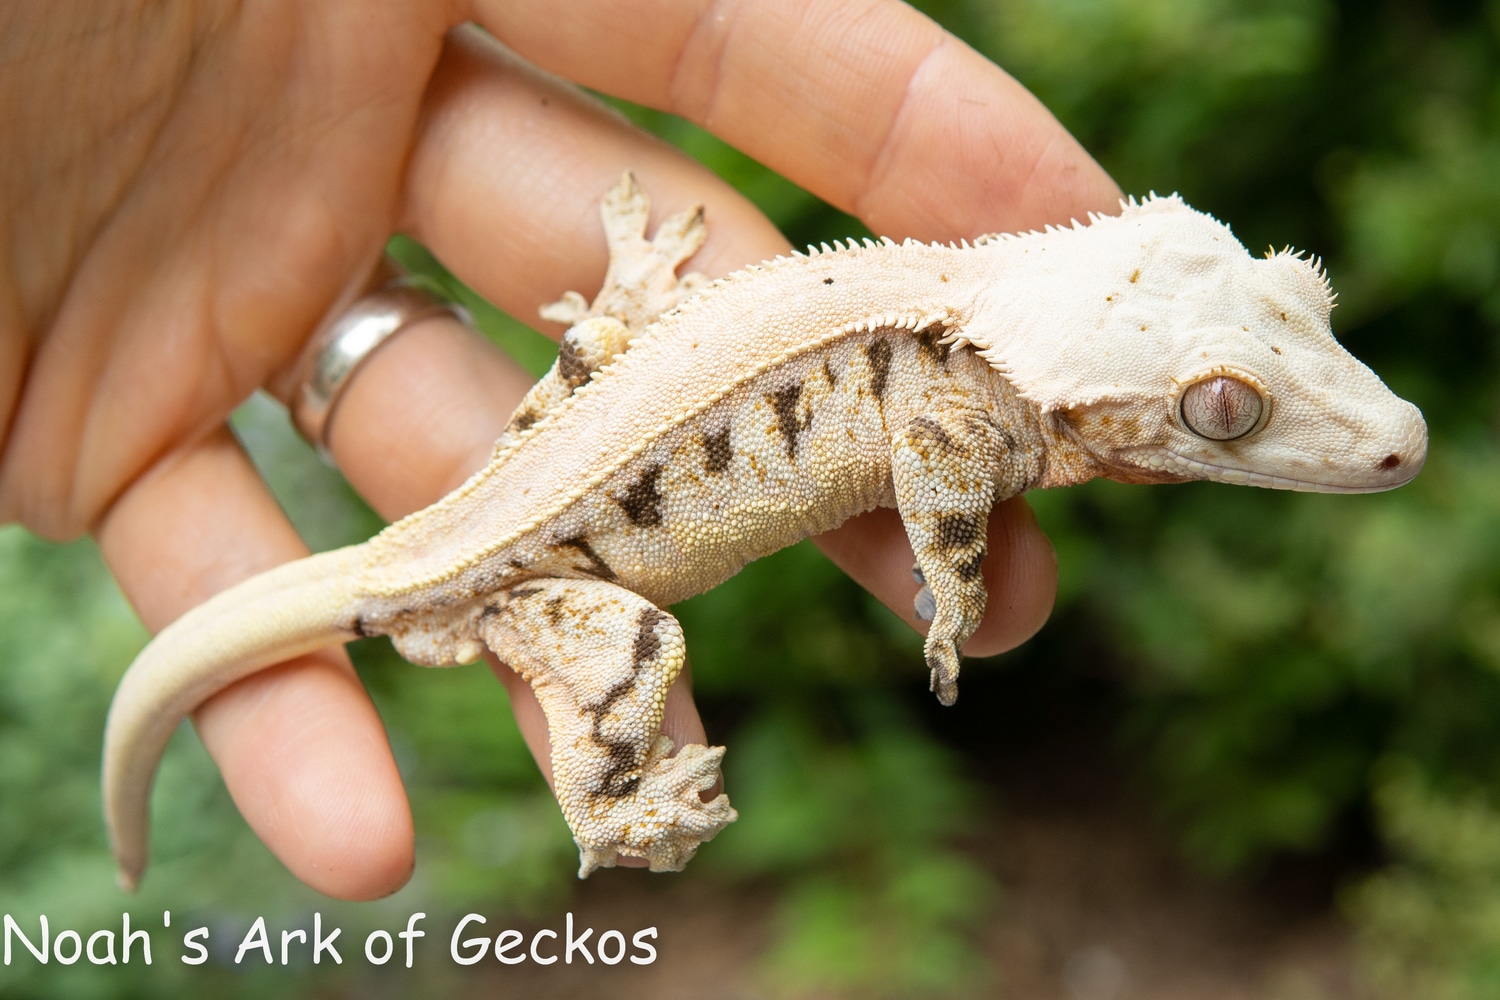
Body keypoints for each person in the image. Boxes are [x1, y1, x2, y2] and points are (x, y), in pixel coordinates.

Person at [0, 0, 1120, 899]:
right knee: (637, 645)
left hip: (539, 502)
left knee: (621, 516)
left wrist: (625, 303)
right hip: (528, 571)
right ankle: (604, 807)